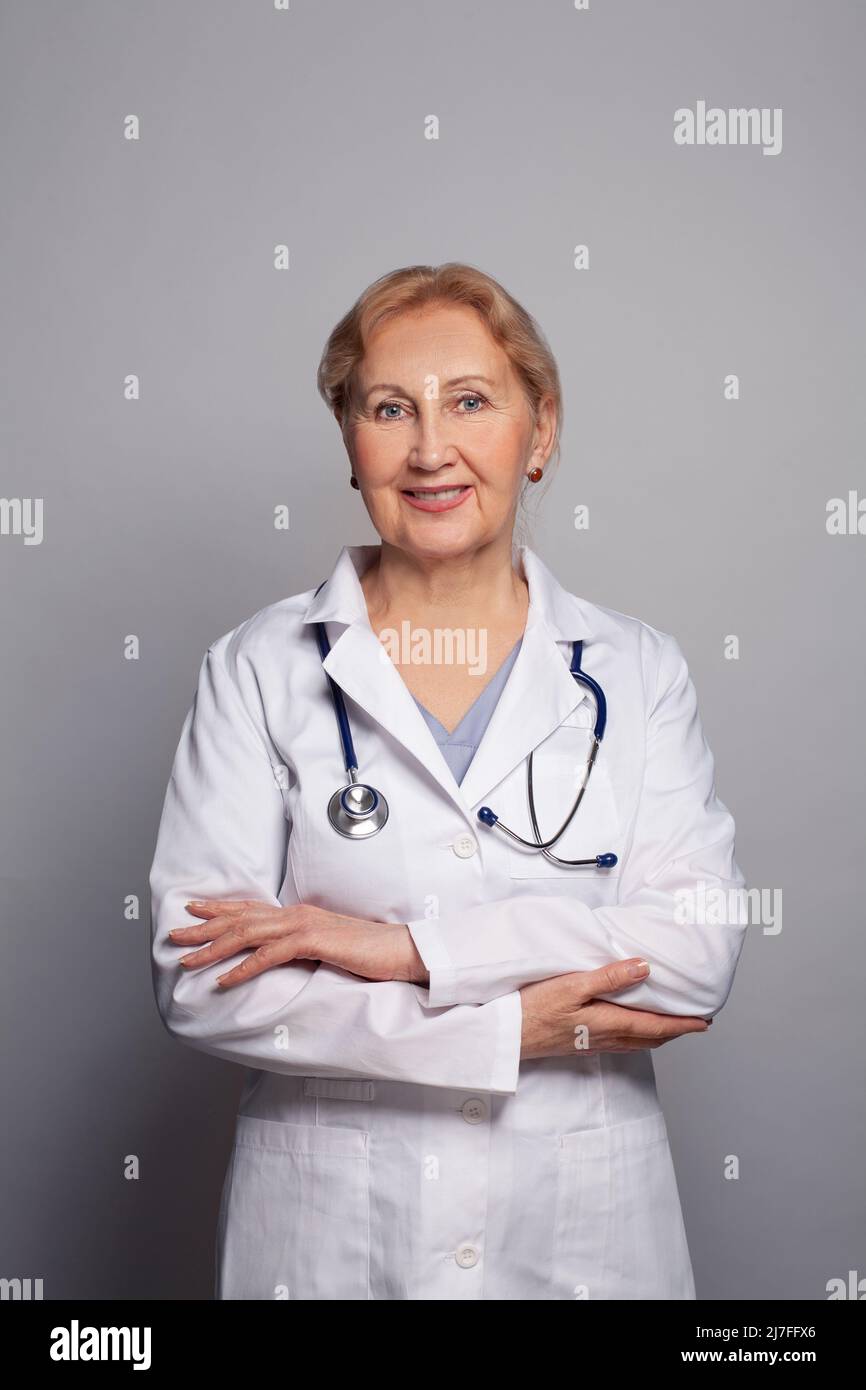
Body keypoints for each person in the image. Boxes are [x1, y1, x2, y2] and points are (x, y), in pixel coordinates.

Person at [148, 262, 747, 1301]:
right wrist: (498, 1030)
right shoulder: (257, 667)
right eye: (390, 408)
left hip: (577, 1236)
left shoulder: (633, 671)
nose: (430, 448)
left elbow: (692, 955)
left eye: (470, 401)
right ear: (350, 442)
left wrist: (402, 951)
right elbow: (202, 982)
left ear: (540, 430)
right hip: (333, 1236)